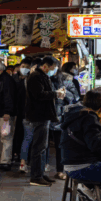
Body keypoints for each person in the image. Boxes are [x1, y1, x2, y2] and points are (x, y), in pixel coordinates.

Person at [25, 56, 66, 186]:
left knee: (43, 147)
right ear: (46, 66)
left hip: (44, 115)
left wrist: (56, 93)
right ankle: (36, 177)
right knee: (38, 147)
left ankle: (40, 174)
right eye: (53, 68)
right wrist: (56, 94)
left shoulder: (43, 76)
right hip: (39, 115)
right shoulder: (35, 76)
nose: (54, 71)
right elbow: (39, 95)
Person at [50, 61, 79, 180]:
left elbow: (75, 98)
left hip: (65, 117)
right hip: (52, 117)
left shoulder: (69, 81)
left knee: (63, 145)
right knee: (56, 146)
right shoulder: (48, 81)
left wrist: (65, 94)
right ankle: (59, 170)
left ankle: (63, 170)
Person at [14, 58, 32, 173]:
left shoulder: (29, 80)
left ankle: (24, 161)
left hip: (27, 113)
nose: (24, 68)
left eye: (26, 66)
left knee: (27, 138)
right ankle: (23, 160)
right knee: (26, 137)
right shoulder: (17, 80)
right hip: (22, 113)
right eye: (23, 66)